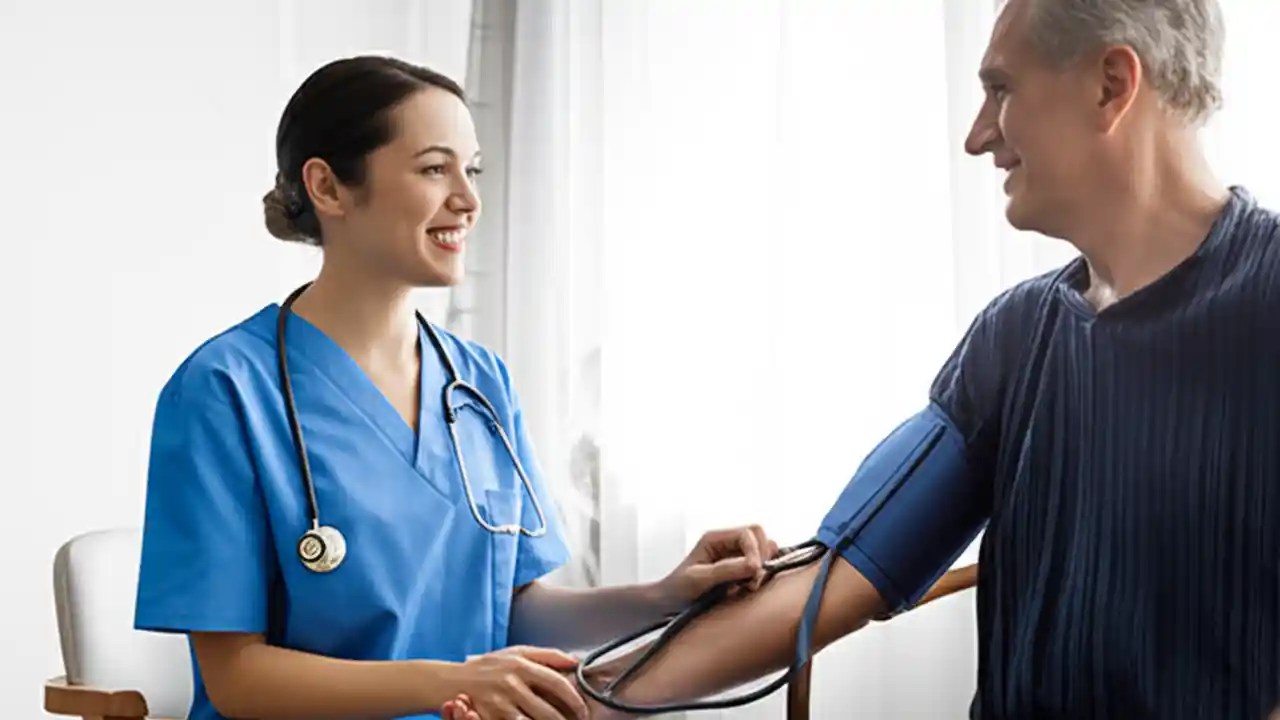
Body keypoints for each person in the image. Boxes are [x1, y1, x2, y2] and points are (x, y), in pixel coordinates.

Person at [442, 0, 1280, 717]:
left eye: (1000, 89)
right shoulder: (1020, 335)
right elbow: (833, 574)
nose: (977, 136)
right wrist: (589, 699)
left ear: (1110, 84)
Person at [131, 55, 781, 720]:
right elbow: (238, 679)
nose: (468, 200)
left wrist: (663, 597)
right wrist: (444, 683)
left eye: (471, 171)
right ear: (328, 188)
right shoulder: (224, 391)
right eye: (435, 168)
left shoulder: (480, 384)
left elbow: (512, 610)